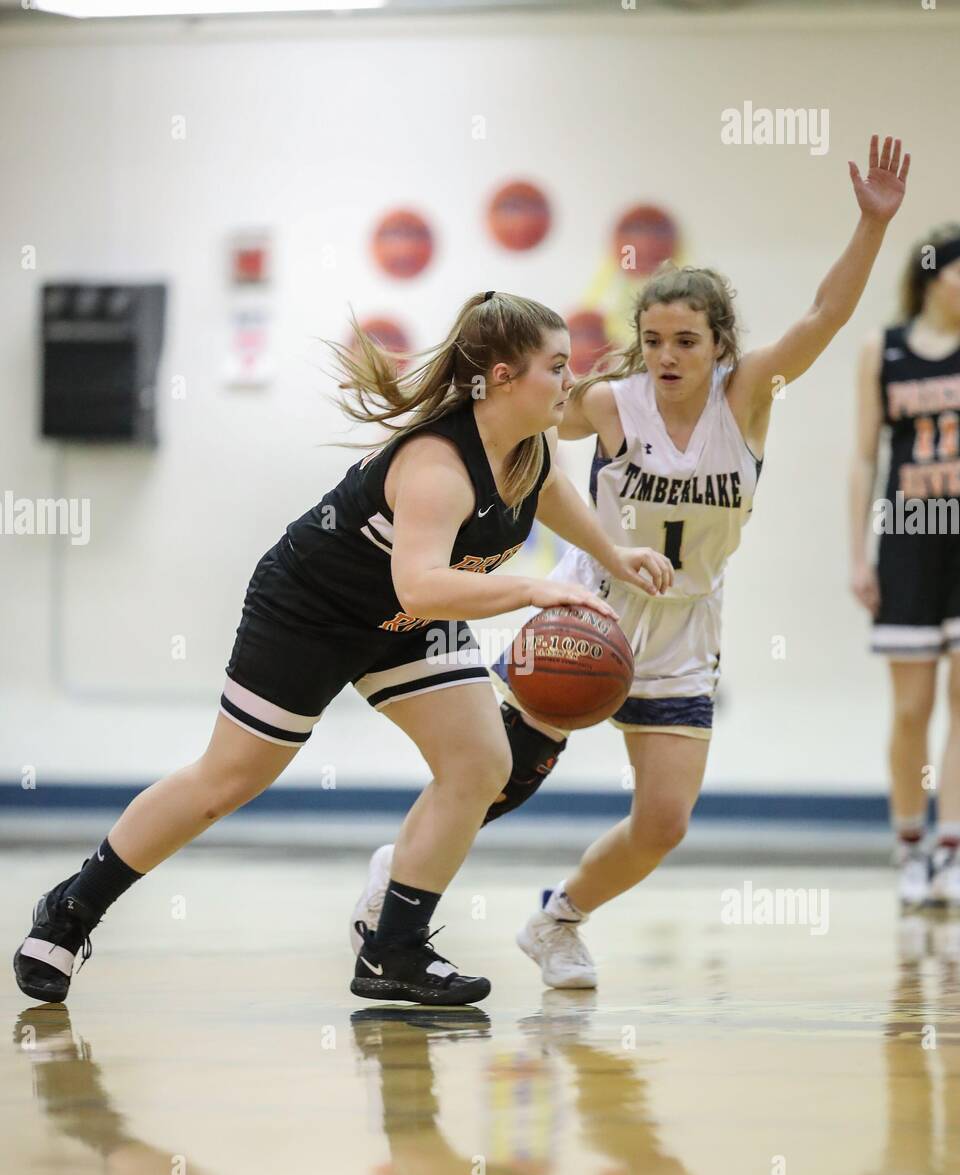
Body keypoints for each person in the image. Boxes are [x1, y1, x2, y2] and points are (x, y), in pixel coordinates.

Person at [353, 134, 911, 989]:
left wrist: (871, 227)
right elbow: (513, 418)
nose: (668, 356)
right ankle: (396, 880)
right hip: (588, 615)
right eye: (653, 339)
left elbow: (824, 318)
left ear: (721, 343)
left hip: (686, 630)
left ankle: (558, 920)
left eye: (686, 340)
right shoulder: (612, 402)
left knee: (664, 822)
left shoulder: (750, 395)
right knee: (498, 782)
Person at [14, 291, 671, 1008]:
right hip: (310, 613)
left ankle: (392, 949)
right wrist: (534, 592)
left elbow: (548, 499)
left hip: (401, 623)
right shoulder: (437, 466)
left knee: (483, 764)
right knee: (226, 781)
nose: (571, 381)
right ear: (504, 377)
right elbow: (421, 587)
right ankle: (73, 908)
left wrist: (613, 549)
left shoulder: (530, 449)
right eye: (556, 366)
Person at [850, 221, 960, 907]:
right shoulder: (882, 350)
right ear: (933, 275)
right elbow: (865, 457)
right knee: (912, 707)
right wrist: (857, 554)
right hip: (910, 543)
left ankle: (951, 846)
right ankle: (909, 844)